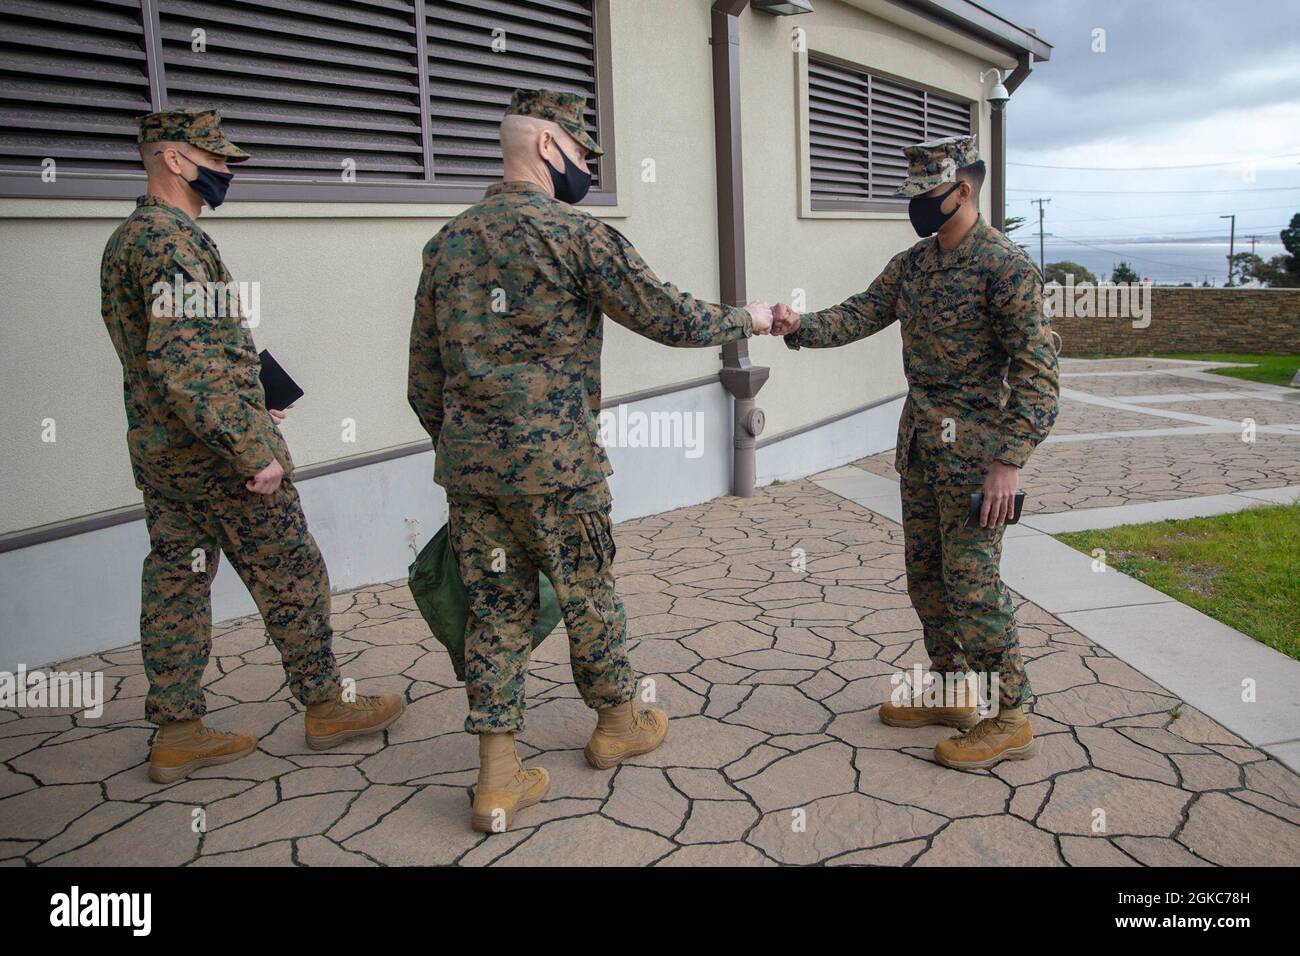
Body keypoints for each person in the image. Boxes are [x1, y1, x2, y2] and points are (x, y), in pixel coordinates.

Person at [408, 89, 773, 832]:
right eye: (580, 153)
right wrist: (753, 319)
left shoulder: (447, 242)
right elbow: (669, 314)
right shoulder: (576, 235)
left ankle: (498, 776)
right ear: (547, 146)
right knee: (587, 594)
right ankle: (615, 723)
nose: (586, 169)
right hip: (560, 471)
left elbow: (422, 376)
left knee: (496, 608)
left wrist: (463, 448)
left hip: (474, 473)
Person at [100, 108, 405, 784]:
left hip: (167, 458)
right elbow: (185, 364)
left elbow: (172, 361)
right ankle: (327, 707)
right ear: (174, 160)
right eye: (214, 158)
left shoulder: (128, 239)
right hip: (220, 465)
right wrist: (250, 447)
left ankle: (178, 732)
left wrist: (251, 397)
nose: (226, 170)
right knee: (292, 575)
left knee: (176, 585)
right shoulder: (170, 243)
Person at [771, 135, 1059, 770]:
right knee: (927, 578)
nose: (918, 209)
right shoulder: (914, 266)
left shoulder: (1004, 267)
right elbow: (860, 314)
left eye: (928, 196)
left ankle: (1011, 715)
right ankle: (954, 689)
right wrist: (799, 326)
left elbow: (1038, 374)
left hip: (979, 458)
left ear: (964, 190)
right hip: (922, 450)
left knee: (974, 585)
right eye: (912, 197)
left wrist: (1009, 461)